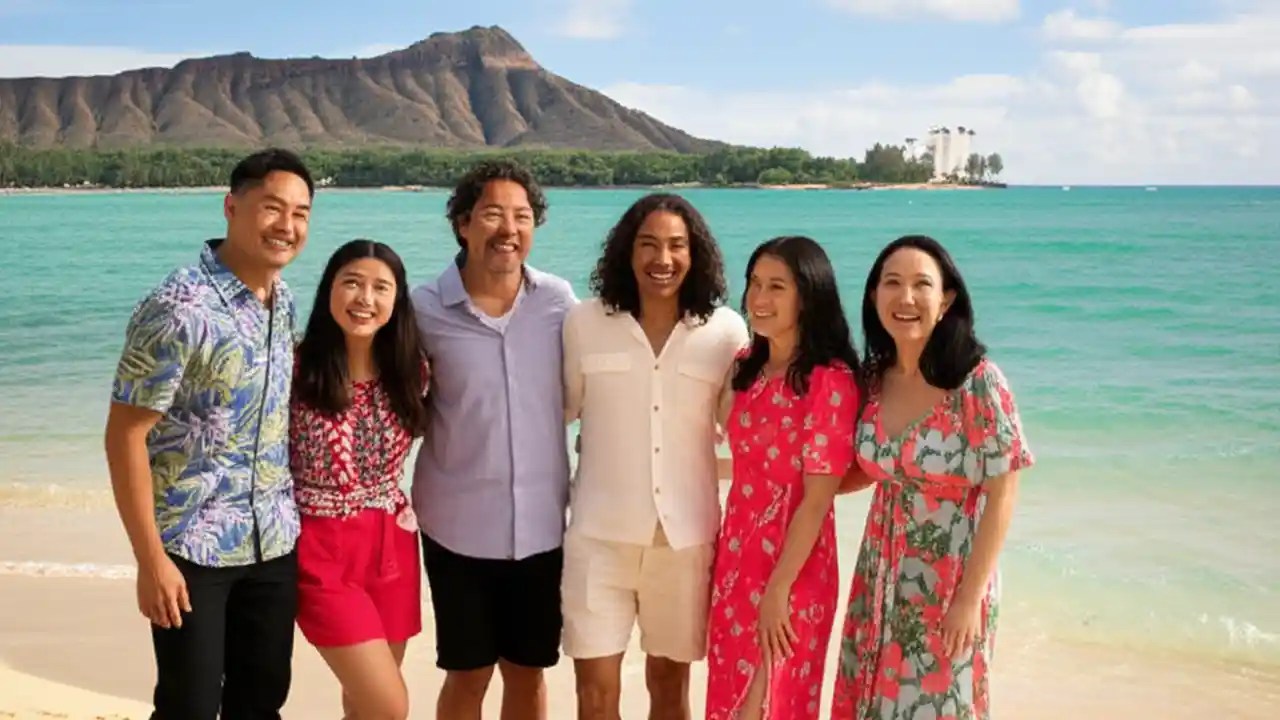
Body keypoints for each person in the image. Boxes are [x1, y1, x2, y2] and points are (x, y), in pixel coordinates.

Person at [103, 148, 314, 720]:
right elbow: (124, 436)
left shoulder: (284, 300)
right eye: (272, 207)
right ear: (231, 207)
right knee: (188, 708)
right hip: (192, 547)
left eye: (300, 213)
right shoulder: (177, 307)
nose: (286, 226)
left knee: (261, 703)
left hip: (272, 542)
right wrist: (150, 560)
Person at [830, 235, 1034, 720]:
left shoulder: (978, 381)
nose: (905, 298)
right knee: (870, 703)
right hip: (878, 576)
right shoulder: (874, 380)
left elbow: (1004, 488)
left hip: (950, 583)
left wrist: (970, 598)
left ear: (945, 301)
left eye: (921, 285)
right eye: (892, 283)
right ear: (874, 296)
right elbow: (867, 469)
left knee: (938, 706)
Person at [561, 193, 749, 720]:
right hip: (598, 538)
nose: (661, 259)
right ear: (626, 251)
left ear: (695, 255)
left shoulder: (725, 331)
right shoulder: (584, 322)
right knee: (594, 694)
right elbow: (556, 412)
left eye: (675, 246)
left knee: (670, 688)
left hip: (685, 541)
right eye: (648, 245)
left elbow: (748, 432)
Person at [410, 159, 577, 720]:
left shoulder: (558, 302)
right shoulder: (422, 309)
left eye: (522, 216)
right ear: (462, 223)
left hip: (541, 527)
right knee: (468, 673)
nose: (509, 229)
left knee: (529, 673)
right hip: (457, 527)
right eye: (493, 215)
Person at [704, 236, 862, 720]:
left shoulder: (828, 379)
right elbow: (750, 468)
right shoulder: (745, 367)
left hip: (795, 568)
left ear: (807, 297)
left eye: (777, 286)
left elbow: (816, 498)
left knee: (772, 701)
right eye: (754, 284)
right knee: (729, 697)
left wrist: (778, 590)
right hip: (735, 558)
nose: (759, 299)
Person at [290, 239, 430, 720]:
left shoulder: (413, 372)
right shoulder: (293, 369)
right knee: (388, 705)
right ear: (329, 289)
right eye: (351, 283)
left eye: (380, 288)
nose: (364, 299)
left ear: (397, 300)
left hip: (393, 545)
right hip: (319, 550)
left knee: (366, 707)